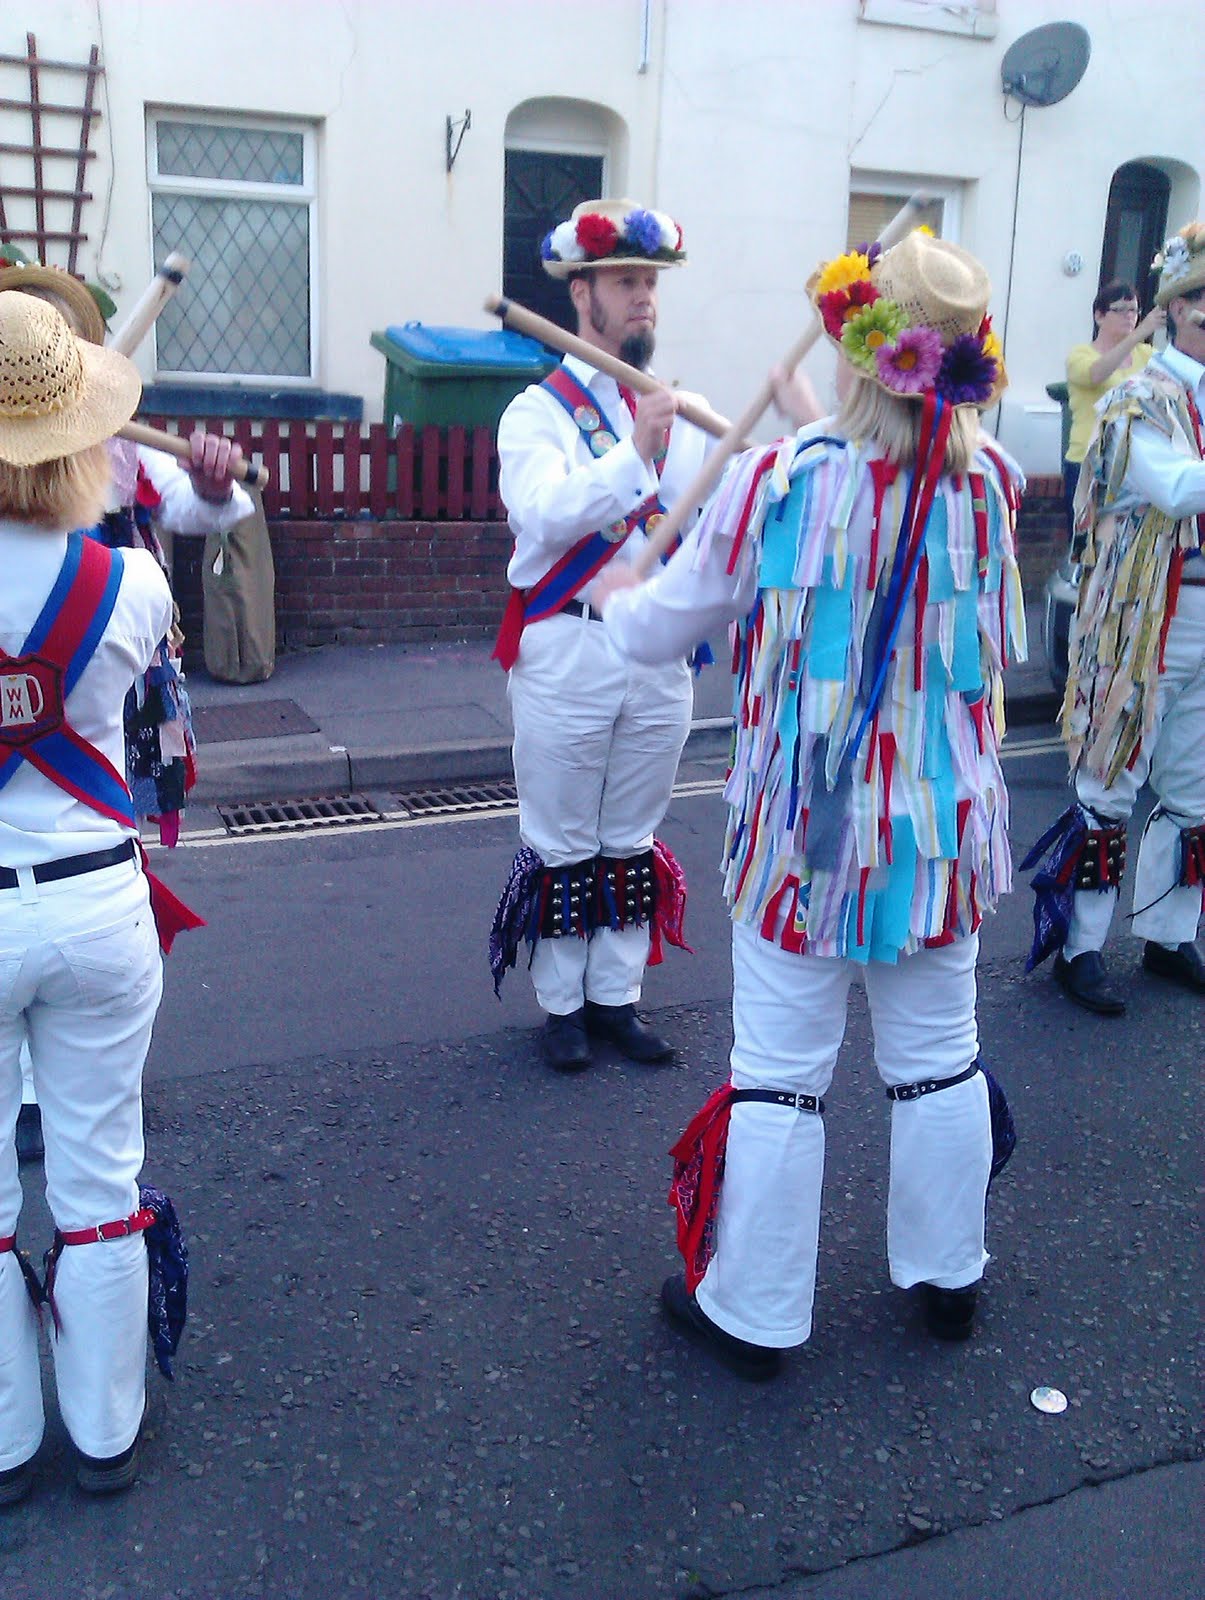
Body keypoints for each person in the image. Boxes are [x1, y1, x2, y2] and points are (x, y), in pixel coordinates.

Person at [594, 229, 1023, 1376]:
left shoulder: (776, 483)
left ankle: (755, 1311)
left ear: (855, 346)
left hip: (803, 837)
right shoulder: (989, 484)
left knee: (781, 1072)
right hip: (936, 830)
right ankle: (947, 1276)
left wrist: (618, 589)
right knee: (937, 1052)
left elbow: (660, 627)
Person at [489, 198, 820, 1071]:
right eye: (627, 283)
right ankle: (561, 1007)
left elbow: (749, 499)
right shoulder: (536, 414)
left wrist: (799, 435)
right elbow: (542, 514)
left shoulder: (684, 409)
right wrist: (634, 452)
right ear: (582, 294)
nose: (643, 299)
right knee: (562, 834)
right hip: (564, 645)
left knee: (630, 832)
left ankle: (615, 998)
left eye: (651, 284)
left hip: (657, 653)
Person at [0, 294, 188, 1503]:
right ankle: (106, 1433)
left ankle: (6, 1444)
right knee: (99, 1177)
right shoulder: (131, 584)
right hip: (97, 904)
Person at [0, 265, 250, 1165]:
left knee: (82, 824)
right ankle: (41, 1084)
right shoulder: (89, 467)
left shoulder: (120, 447)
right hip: (82, 625)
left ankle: (60, 1067)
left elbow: (188, 506)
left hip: (104, 659)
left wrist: (215, 487)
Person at [1023, 223, 1205, 1014]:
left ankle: (1169, 934)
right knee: (1109, 782)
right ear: (1171, 310)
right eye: (1201, 303)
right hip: (1145, 619)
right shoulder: (1138, 397)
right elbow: (1176, 490)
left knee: (1194, 789)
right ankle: (1081, 947)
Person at [1062, 281, 1164, 537]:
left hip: (1132, 465)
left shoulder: (1147, 355)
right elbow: (1097, 374)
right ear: (1099, 316)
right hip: (1087, 462)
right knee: (1085, 543)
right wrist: (1138, 334)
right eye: (1121, 309)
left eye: (1135, 310)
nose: (1130, 316)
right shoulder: (1080, 355)